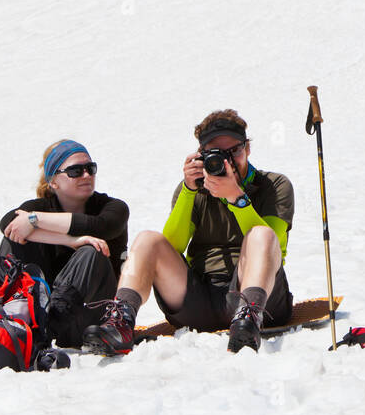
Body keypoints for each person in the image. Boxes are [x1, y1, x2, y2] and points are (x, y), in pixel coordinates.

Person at [83, 109, 294, 356]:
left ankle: (248, 320)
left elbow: (275, 244)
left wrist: (236, 198)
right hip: (201, 297)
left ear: (247, 148)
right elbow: (172, 245)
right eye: (216, 154)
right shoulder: (192, 190)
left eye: (234, 151)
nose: (226, 161)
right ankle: (121, 321)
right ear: (201, 155)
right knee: (148, 240)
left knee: (261, 234)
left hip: (261, 299)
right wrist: (188, 191)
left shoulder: (274, 185)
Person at [0, 140, 129, 347]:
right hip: (42, 314)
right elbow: (8, 225)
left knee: (91, 251)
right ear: (53, 182)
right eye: (75, 171)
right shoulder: (40, 207)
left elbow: (103, 227)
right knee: (15, 238)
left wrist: (34, 221)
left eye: (90, 169)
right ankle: (8, 318)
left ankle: (46, 329)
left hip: (90, 323)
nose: (86, 175)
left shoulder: (112, 208)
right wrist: (71, 241)